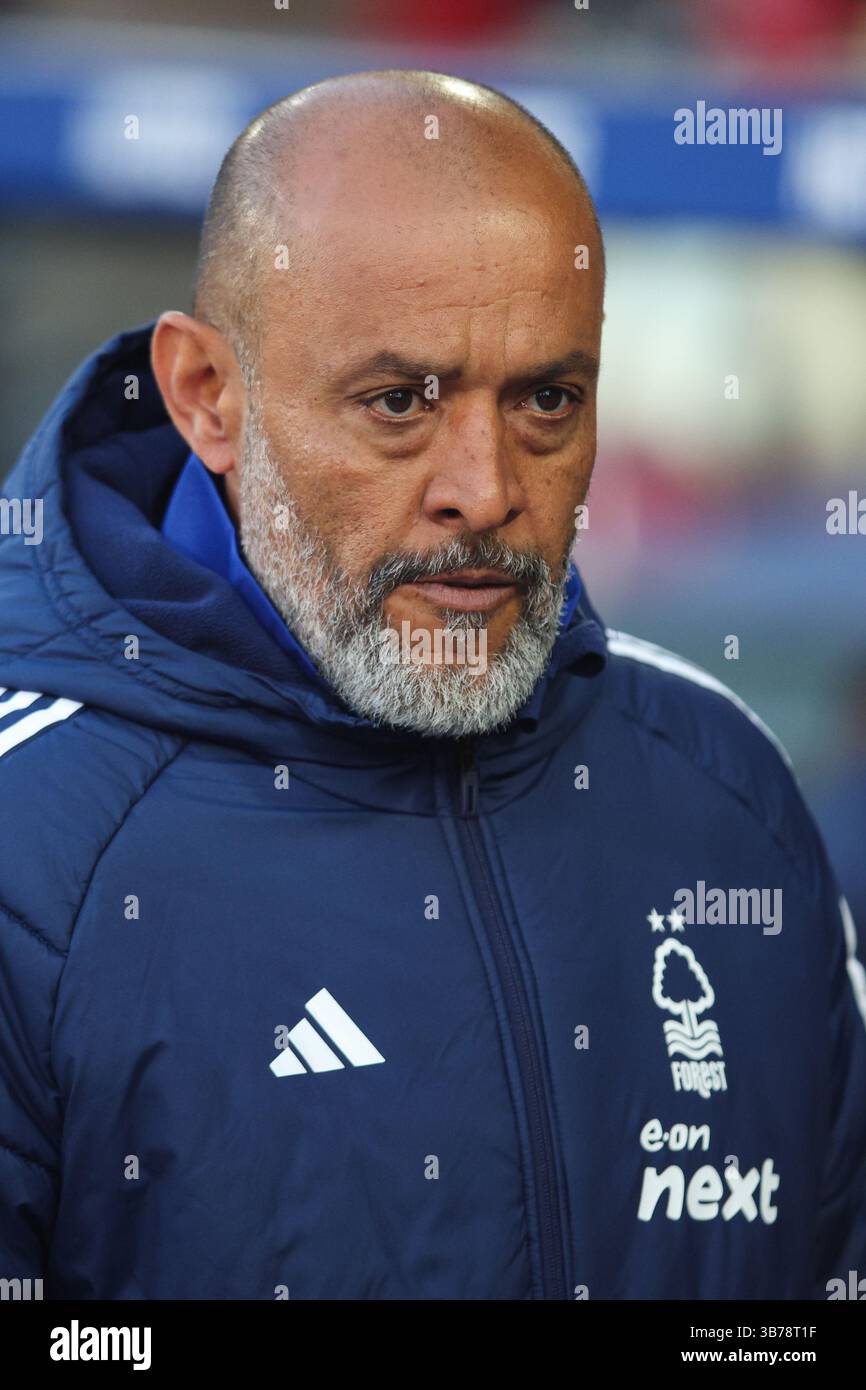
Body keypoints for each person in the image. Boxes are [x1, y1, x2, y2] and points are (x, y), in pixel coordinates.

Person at [0, 69, 863, 1301]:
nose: (485, 488)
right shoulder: (31, 852)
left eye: (546, 401)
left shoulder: (723, 792)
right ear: (207, 397)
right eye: (399, 402)